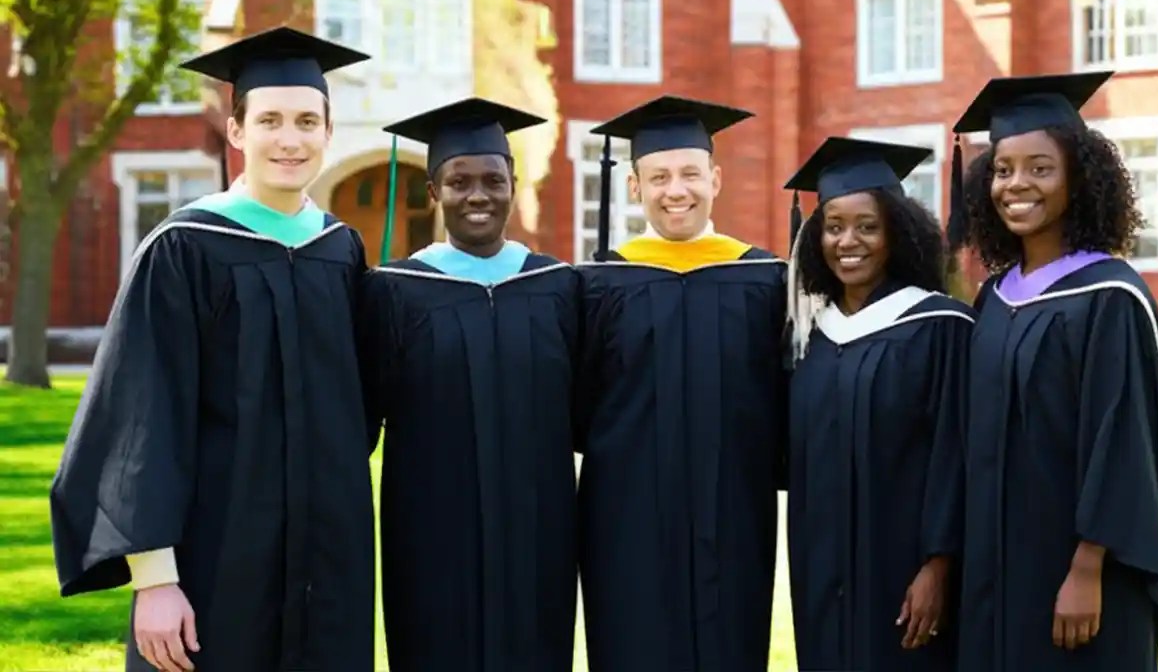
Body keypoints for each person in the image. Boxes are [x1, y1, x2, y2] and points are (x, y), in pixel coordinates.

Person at [49, 27, 376, 672]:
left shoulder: (339, 249)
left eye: (308, 121)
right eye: (271, 120)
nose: (290, 139)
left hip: (327, 559)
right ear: (237, 132)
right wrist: (155, 579)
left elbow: (359, 405)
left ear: (328, 134)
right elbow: (140, 418)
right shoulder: (184, 248)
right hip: (213, 557)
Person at [948, 71, 1158, 672]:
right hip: (997, 563)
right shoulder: (995, 298)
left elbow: (1120, 440)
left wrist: (1087, 567)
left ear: (1079, 178)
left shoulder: (1110, 297)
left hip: (1076, 570)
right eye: (1002, 169)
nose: (1016, 184)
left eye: (1040, 168)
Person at [360, 97, 579, 672]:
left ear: (513, 184)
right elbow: (360, 417)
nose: (477, 195)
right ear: (433, 193)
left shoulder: (558, 288)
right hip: (430, 528)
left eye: (492, 180)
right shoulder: (393, 291)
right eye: (458, 182)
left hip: (539, 523)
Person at [575, 95, 788, 672]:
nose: (678, 190)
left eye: (691, 174)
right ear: (635, 187)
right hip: (625, 512)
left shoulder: (764, 278)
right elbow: (577, 406)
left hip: (736, 508)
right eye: (660, 176)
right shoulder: (596, 283)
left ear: (715, 179)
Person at [783, 137, 972, 672]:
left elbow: (954, 454)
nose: (849, 241)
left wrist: (939, 565)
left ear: (897, 232)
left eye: (867, 226)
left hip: (905, 569)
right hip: (820, 568)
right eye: (834, 226)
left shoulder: (940, 327)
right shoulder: (808, 336)